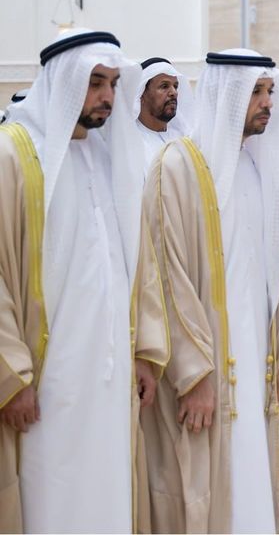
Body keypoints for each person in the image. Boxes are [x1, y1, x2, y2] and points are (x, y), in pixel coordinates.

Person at [139, 49, 279, 532]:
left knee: (255, 481)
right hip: (205, 374)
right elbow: (163, 277)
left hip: (255, 367)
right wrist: (193, 375)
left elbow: (276, 273)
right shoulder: (176, 168)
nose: (266, 104)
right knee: (205, 491)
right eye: (255, 93)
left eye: (269, 93)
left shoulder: (257, 169)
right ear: (226, 95)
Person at [0, 30, 163, 533]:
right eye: (95, 83)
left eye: (113, 83)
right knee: (50, 497)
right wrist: (13, 376)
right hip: (46, 381)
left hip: (111, 377)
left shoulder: (107, 158)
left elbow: (141, 264)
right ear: (64, 82)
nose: (108, 97)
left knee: (108, 492)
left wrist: (145, 351)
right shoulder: (13, 158)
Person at [135, 56, 194, 165]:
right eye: (164, 86)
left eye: (175, 86)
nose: (174, 93)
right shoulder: (133, 144)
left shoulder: (184, 139)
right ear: (141, 94)